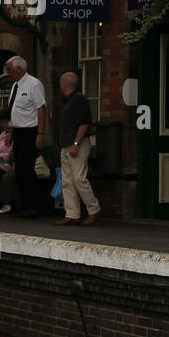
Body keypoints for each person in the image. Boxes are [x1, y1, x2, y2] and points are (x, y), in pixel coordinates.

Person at [56, 72, 101, 226]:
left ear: (66, 84)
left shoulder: (79, 99)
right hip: (66, 145)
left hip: (77, 144)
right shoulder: (68, 101)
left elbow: (84, 123)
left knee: (79, 179)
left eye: (61, 82)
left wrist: (76, 144)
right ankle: (72, 213)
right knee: (67, 181)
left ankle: (94, 209)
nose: (60, 85)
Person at [5, 56, 47, 218]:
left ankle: (33, 206)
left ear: (19, 69)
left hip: (30, 132)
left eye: (9, 69)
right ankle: (24, 205)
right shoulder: (15, 85)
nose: (8, 73)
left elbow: (40, 109)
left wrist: (40, 134)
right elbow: (16, 112)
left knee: (27, 170)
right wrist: (11, 132)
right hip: (19, 133)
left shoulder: (33, 84)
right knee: (20, 171)